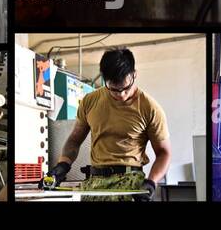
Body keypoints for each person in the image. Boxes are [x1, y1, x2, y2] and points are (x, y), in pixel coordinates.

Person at [45, 48, 171, 201]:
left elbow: (164, 153)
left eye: (125, 88)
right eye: (114, 90)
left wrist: (151, 182)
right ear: (105, 80)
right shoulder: (90, 101)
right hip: (94, 183)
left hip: (129, 183)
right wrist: (62, 166)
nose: (121, 95)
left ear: (134, 74)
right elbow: (74, 140)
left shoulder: (150, 108)